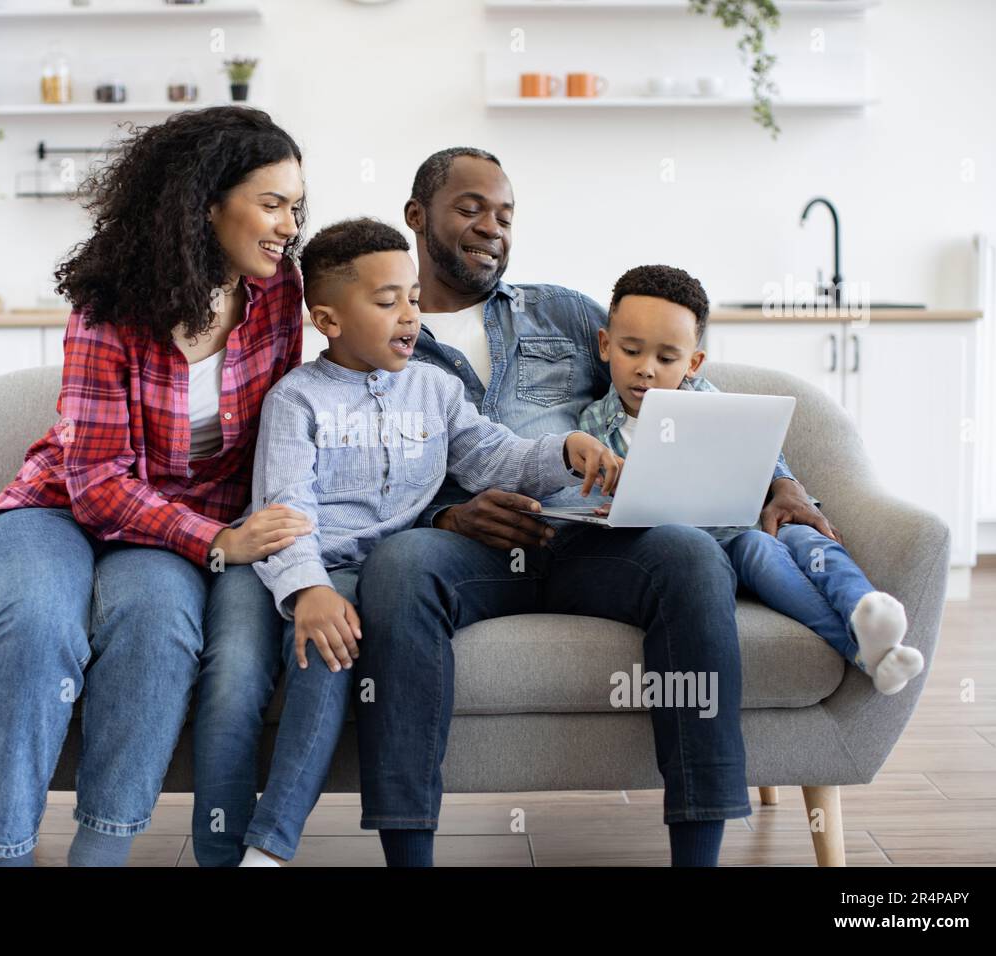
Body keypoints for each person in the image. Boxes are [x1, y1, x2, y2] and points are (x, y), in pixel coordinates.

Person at [353, 147, 837, 868]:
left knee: (691, 553)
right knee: (399, 568)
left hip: (595, 541)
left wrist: (784, 482)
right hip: (469, 550)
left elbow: (684, 398)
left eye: (506, 214)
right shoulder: (380, 334)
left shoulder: (565, 313)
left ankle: (699, 854)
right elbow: (361, 472)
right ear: (417, 217)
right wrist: (442, 518)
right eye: (470, 208)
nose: (492, 227)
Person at [194, 217, 618, 866]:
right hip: (276, 567)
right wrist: (308, 590)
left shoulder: (437, 391)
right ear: (329, 321)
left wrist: (564, 448)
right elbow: (287, 510)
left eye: (414, 298)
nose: (409, 316)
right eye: (386, 301)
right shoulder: (297, 400)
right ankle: (218, 854)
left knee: (325, 663)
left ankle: (267, 851)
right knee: (231, 684)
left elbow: (498, 459)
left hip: (363, 577)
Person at [0, 106, 310, 866]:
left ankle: (102, 854)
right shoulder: (110, 308)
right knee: (39, 619)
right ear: (209, 202)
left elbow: (293, 416)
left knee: (157, 625)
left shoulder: (280, 295)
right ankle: (3, 854)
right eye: (272, 203)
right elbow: (93, 483)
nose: (288, 225)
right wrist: (217, 539)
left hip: (165, 536)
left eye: (296, 207)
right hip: (57, 513)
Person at [579, 263, 925, 695]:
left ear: (693, 363)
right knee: (758, 550)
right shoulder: (592, 426)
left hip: (751, 524)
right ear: (606, 346)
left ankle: (865, 610)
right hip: (711, 555)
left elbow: (763, 453)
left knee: (801, 536)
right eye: (632, 351)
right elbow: (590, 499)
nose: (646, 369)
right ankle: (858, 651)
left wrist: (785, 485)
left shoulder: (709, 401)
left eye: (666, 359)